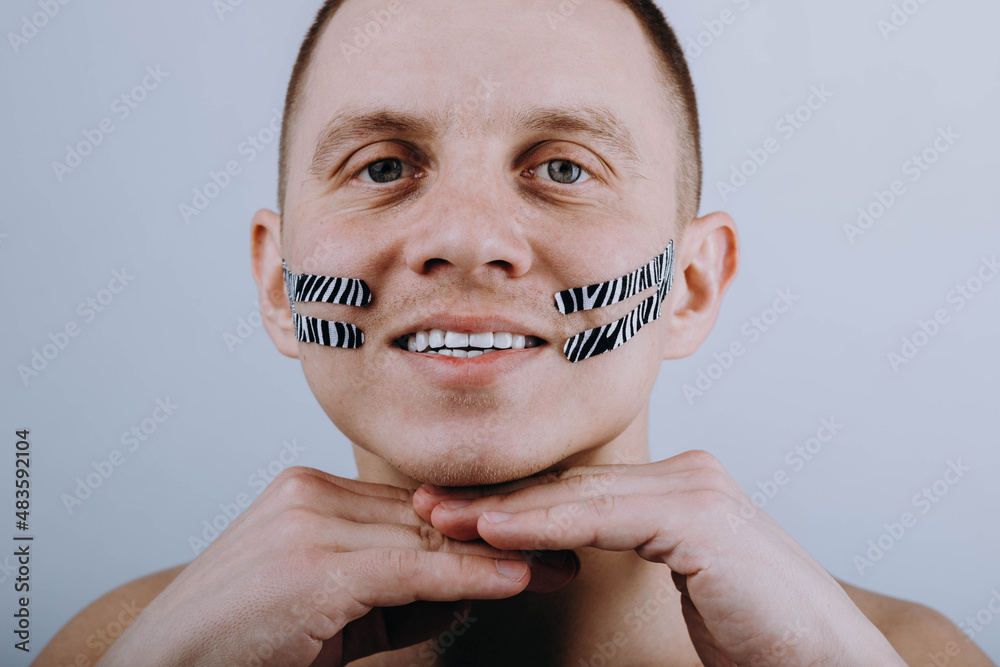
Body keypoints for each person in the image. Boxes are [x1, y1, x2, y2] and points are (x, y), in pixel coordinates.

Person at [34, 0, 995, 665]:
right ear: (280, 283)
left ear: (692, 284)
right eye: (382, 167)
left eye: (563, 168)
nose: (465, 237)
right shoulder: (122, 645)